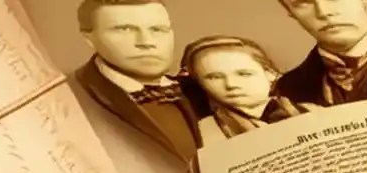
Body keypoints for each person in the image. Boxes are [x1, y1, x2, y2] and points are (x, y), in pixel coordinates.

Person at [73, 0, 208, 161]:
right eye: (125, 29)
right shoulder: (68, 100)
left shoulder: (203, 90)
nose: (146, 42)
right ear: (89, 38)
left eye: (157, 29)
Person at [181, 36, 318, 144]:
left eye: (244, 74)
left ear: (270, 73)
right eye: (215, 77)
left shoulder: (313, 112)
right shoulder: (201, 133)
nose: (231, 84)